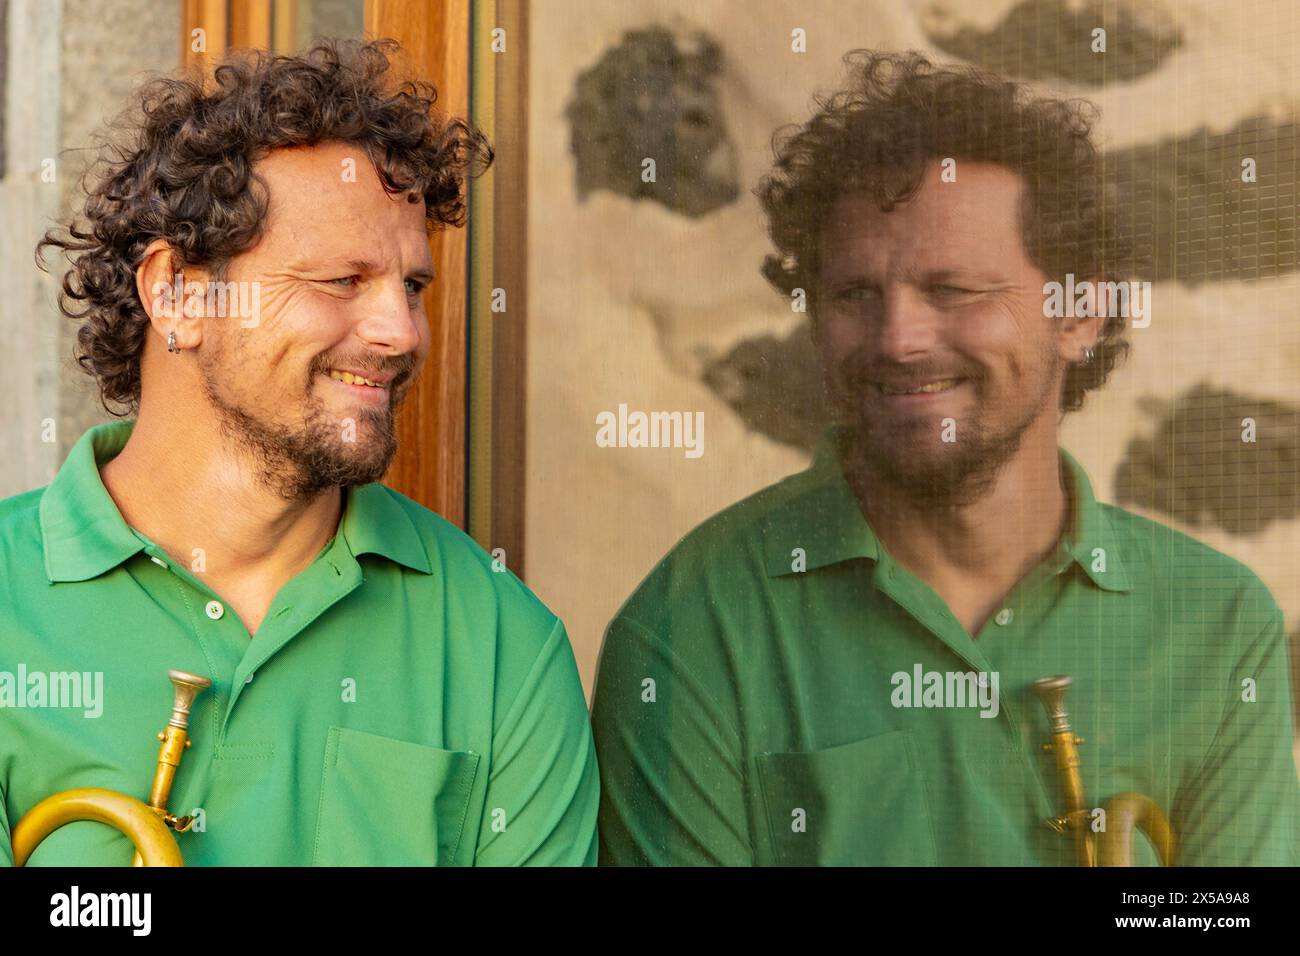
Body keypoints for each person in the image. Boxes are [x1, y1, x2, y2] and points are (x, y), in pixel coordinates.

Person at [592, 51, 1300, 865]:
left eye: (954, 291)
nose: (898, 340)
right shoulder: (693, 626)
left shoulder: (1218, 625)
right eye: (855, 295)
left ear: (1080, 315)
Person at [0, 39, 596, 866]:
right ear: (176, 291)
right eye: (341, 281)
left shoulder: (502, 646)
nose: (401, 332)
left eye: (412, 288)